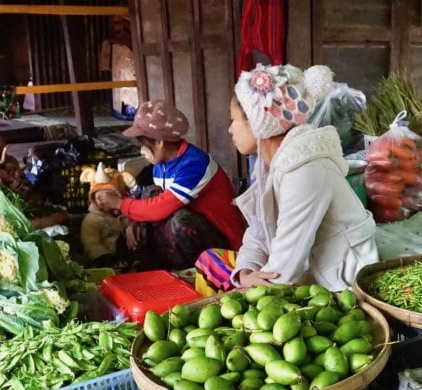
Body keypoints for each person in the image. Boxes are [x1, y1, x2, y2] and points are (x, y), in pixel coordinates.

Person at [229, 63, 378, 291]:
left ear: (258, 123)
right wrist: (245, 272)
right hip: (307, 269)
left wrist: (246, 288)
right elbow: (259, 231)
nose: (230, 130)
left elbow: (284, 267)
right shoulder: (268, 163)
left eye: (234, 120)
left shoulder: (306, 170)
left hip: (342, 281)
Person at [94, 100, 247, 271]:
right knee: (150, 194)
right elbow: (152, 203)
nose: (141, 151)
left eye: (143, 145)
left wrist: (119, 204)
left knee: (179, 220)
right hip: (196, 230)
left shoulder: (195, 164)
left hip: (223, 241)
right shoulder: (161, 166)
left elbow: (160, 208)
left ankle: (197, 273)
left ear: (159, 142)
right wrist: (133, 222)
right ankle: (153, 267)